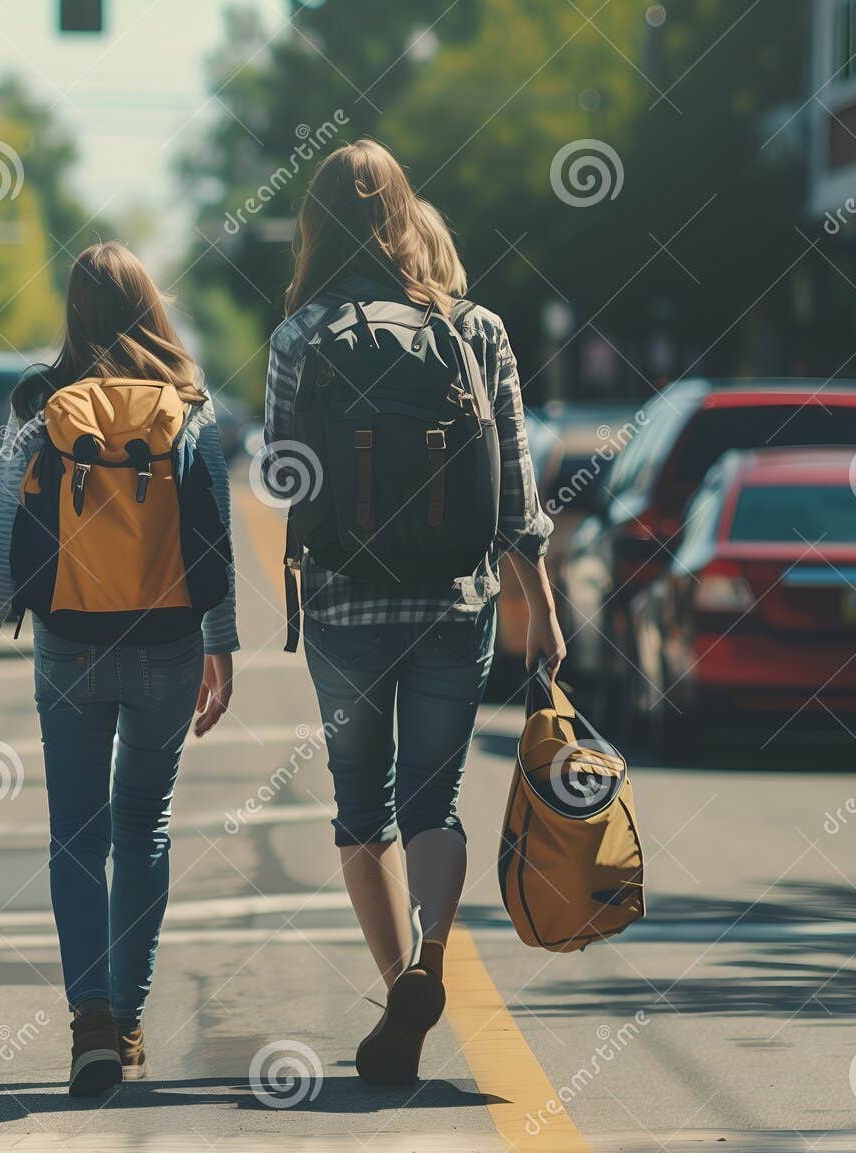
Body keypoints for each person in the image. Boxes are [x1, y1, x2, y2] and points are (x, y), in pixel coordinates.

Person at [266, 140, 563, 1083]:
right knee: (433, 800)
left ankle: (399, 980)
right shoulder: (477, 331)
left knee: (362, 811)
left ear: (315, 223)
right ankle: (432, 960)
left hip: (347, 604)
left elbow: (283, 475)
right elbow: (515, 493)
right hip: (456, 598)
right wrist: (543, 607)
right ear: (404, 212)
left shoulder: (299, 336)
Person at [0, 242, 239, 1097]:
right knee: (143, 826)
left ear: (72, 313)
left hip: (70, 644)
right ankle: (125, 1022)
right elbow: (213, 537)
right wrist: (220, 646)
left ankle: (87, 1015)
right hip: (167, 642)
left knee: (76, 835)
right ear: (150, 305)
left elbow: (4, 560)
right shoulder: (190, 406)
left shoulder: (39, 407)